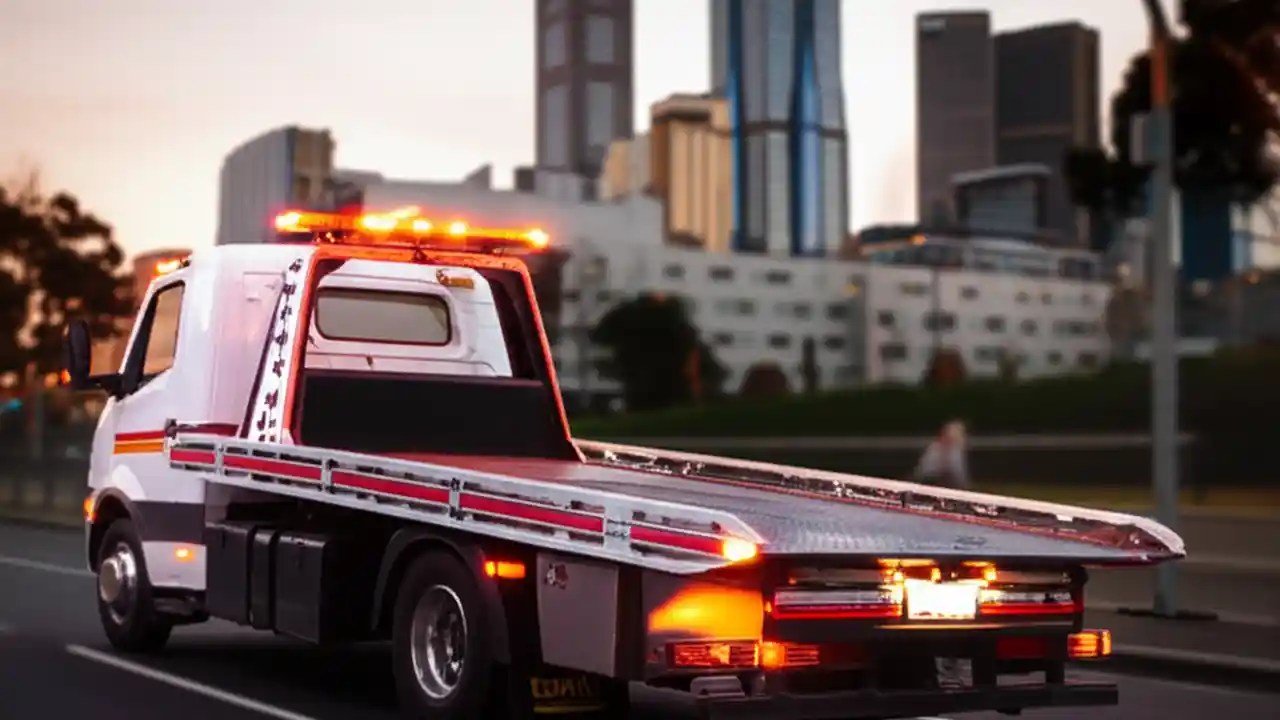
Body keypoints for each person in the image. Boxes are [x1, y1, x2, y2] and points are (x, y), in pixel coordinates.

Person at [911, 420, 971, 490]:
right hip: (929, 483)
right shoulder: (934, 448)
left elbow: (960, 475)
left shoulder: (956, 451)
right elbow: (922, 472)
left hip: (951, 486)